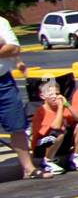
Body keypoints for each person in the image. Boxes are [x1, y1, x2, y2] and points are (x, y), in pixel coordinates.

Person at [0, 15, 42, 179]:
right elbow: (7, 48)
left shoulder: (1, 22)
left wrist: (7, 49)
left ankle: (29, 168)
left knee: (17, 125)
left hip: (4, 82)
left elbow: (14, 48)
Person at [30, 79, 78, 175]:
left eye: (57, 94)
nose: (55, 97)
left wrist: (67, 104)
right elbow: (55, 127)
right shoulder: (41, 112)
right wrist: (60, 108)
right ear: (43, 96)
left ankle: (75, 157)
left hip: (59, 142)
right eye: (51, 95)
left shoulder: (63, 107)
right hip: (42, 146)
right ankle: (46, 161)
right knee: (58, 132)